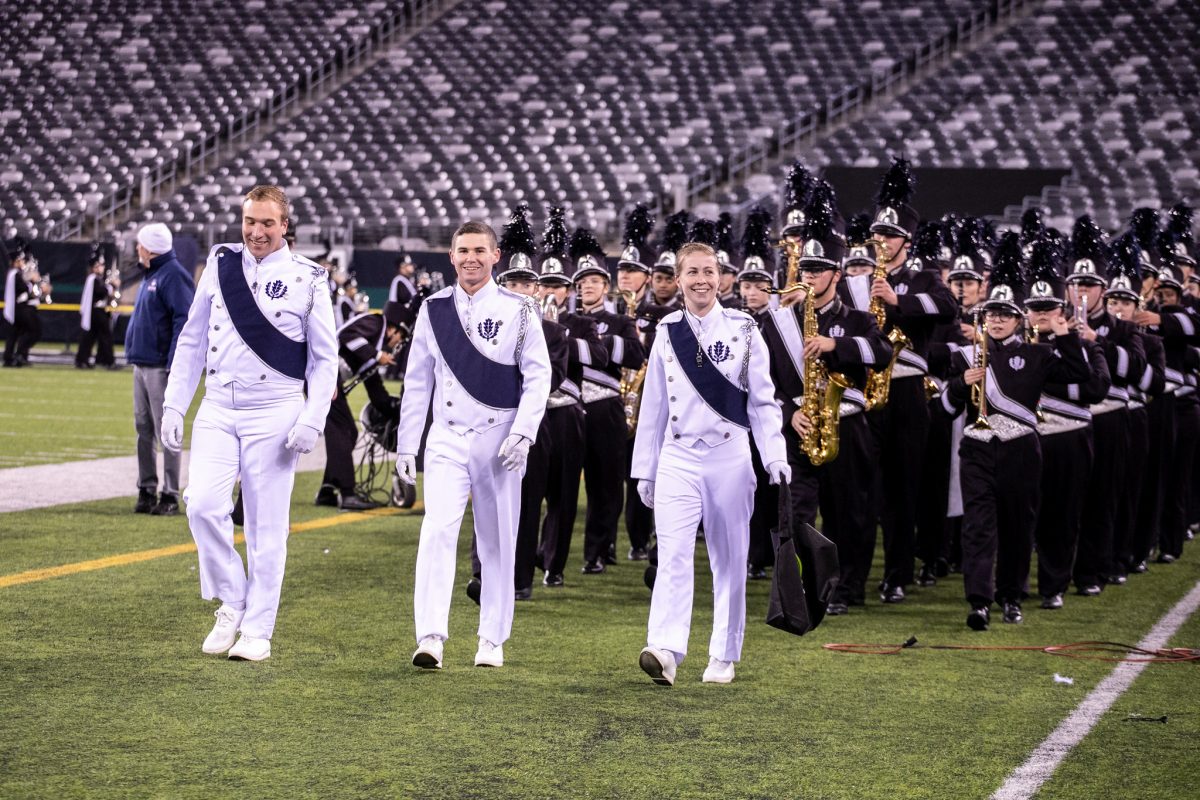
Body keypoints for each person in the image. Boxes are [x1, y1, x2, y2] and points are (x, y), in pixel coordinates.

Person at [161, 185, 338, 662]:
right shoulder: (220, 264)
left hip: (276, 410)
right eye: (250, 222)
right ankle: (233, 600)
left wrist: (312, 416)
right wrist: (175, 404)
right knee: (201, 505)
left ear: (285, 226)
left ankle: (258, 629)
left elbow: (325, 360)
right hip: (218, 406)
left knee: (266, 526)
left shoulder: (310, 278)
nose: (257, 232)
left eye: (267, 223)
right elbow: (193, 339)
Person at [632, 242, 788, 686]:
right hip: (677, 457)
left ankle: (723, 653)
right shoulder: (666, 331)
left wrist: (773, 454)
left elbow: (762, 400)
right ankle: (664, 648)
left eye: (709, 271)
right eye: (692, 273)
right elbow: (654, 407)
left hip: (730, 457)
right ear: (678, 280)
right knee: (673, 557)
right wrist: (645, 468)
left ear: (722, 278)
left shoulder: (743, 329)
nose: (701, 280)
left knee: (729, 559)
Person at [397, 220, 551, 670]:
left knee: (498, 541)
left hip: (499, 439)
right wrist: (407, 446)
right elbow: (416, 382)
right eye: (463, 250)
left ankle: (491, 639)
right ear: (451, 256)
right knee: (437, 531)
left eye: (480, 251)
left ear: (495, 255)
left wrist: (524, 431)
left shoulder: (520, 309)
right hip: (446, 436)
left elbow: (539, 375)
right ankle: (430, 636)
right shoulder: (432, 309)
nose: (471, 258)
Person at [940, 233, 1089, 630]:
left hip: (1021, 449)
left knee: (1018, 527)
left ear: (1019, 318)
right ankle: (979, 601)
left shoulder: (1038, 354)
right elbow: (940, 410)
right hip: (976, 449)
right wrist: (959, 384)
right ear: (983, 316)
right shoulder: (965, 356)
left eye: (1006, 313)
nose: (998, 319)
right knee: (978, 527)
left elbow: (1080, 375)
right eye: (992, 313)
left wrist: (1064, 332)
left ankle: (1011, 596)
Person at [760, 185, 892, 616]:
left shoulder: (856, 320)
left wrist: (839, 348)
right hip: (799, 426)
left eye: (820, 270)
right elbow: (761, 382)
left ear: (837, 275)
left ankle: (847, 587)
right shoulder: (778, 323)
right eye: (807, 269)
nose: (812, 276)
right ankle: (804, 583)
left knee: (849, 513)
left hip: (847, 423)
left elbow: (884, 354)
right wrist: (787, 411)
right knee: (794, 513)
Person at [838, 158, 957, 603]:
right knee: (864, 488)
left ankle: (898, 574)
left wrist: (898, 299)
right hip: (869, 390)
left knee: (904, 486)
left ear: (905, 240)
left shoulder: (923, 278)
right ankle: (857, 576)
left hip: (907, 388)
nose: (881, 242)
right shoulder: (859, 281)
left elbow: (948, 309)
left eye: (889, 236)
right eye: (878, 236)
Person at [571, 228, 646, 573]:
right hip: (569, 410)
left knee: (606, 485)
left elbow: (634, 354)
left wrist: (597, 347)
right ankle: (551, 555)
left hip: (605, 407)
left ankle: (597, 552)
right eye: (582, 281)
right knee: (563, 486)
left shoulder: (620, 320)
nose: (587, 285)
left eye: (594, 280)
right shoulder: (564, 321)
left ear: (605, 286)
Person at [125, 222, 195, 516]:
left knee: (167, 431)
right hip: (142, 363)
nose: (137, 249)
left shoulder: (173, 276)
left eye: (141, 244)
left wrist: (174, 364)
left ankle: (170, 493)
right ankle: (147, 488)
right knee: (143, 429)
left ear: (150, 249)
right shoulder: (153, 273)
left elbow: (184, 322)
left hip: (159, 367)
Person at [314, 299, 411, 511]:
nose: (397, 345)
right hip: (322, 374)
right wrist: (377, 355)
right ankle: (347, 495)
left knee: (348, 431)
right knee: (342, 429)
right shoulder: (375, 323)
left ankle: (328, 490)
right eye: (400, 338)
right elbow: (347, 336)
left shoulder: (372, 341)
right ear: (393, 330)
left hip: (327, 376)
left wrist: (396, 410)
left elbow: (376, 392)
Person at [76, 244, 118, 369]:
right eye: (99, 266)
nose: (102, 268)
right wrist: (111, 286)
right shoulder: (93, 279)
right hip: (96, 312)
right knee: (105, 336)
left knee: (91, 337)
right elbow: (101, 292)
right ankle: (108, 361)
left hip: (98, 312)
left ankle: (87, 359)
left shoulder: (97, 279)